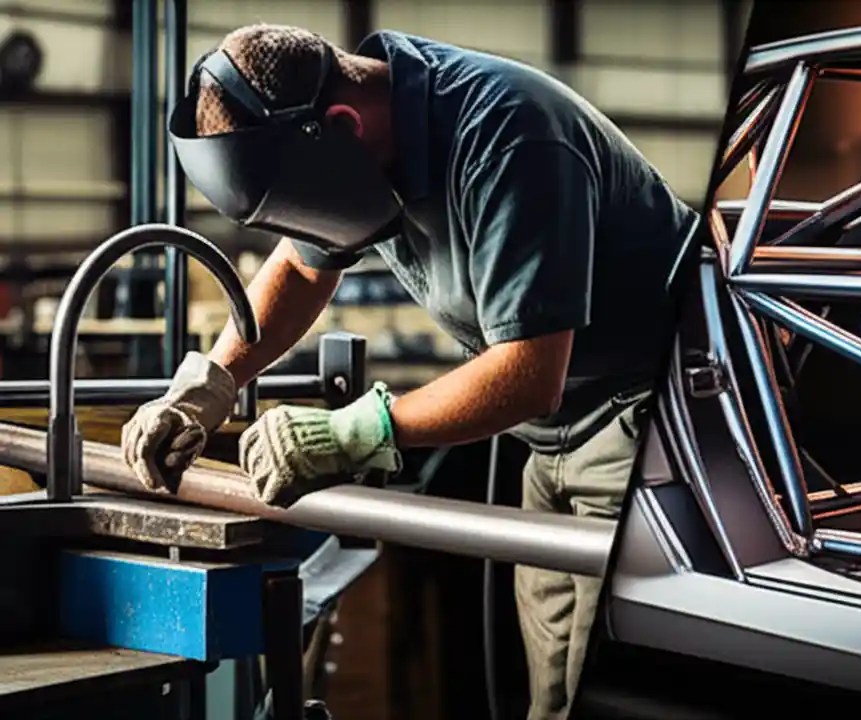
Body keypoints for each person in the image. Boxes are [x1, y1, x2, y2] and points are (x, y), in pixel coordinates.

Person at [119, 24, 697, 720]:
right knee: (550, 692)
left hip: (653, 426)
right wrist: (210, 383)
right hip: (553, 442)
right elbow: (303, 267)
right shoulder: (363, 138)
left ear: (340, 124)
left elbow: (527, 372)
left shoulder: (510, 136)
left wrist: (353, 431)